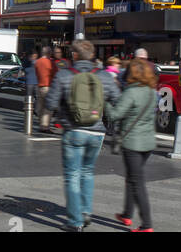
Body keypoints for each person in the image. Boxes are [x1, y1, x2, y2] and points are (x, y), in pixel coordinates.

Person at [46, 38, 120, 232]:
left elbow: (50, 104)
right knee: (87, 172)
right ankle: (86, 213)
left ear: (75, 55)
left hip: (73, 131)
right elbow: (117, 99)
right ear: (93, 55)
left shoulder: (64, 74)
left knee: (72, 175)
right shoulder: (104, 76)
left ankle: (75, 221)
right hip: (97, 133)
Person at [108, 56, 158, 232]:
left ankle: (147, 225)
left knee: (137, 182)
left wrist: (106, 104)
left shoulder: (131, 92)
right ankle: (126, 214)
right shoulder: (152, 92)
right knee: (132, 178)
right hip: (148, 142)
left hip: (133, 143)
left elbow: (115, 114)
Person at [35, 45, 54, 131]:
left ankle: (41, 124)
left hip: (39, 87)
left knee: (40, 107)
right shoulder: (50, 63)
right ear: (49, 53)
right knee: (48, 108)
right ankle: (44, 126)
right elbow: (55, 75)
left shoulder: (37, 62)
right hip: (48, 87)